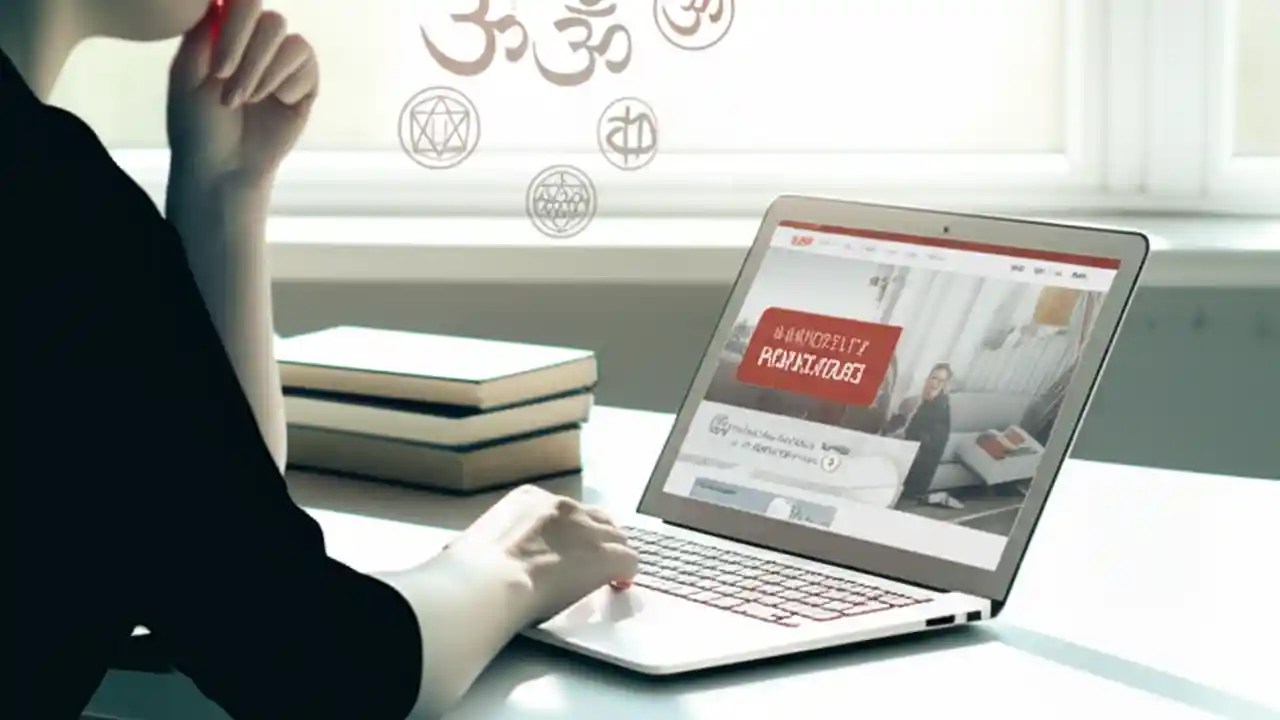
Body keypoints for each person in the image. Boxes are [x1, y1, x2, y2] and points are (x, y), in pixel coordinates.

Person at [4, 1, 636, 718]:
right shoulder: (54, 209)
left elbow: (216, 541)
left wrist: (225, 191)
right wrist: (511, 561)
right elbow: (317, 665)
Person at [884, 363, 960, 510]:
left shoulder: (940, 407)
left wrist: (903, 438)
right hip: (910, 455)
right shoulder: (924, 401)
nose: (935, 383)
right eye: (933, 378)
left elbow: (928, 441)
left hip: (918, 465)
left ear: (945, 385)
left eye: (940, 381)